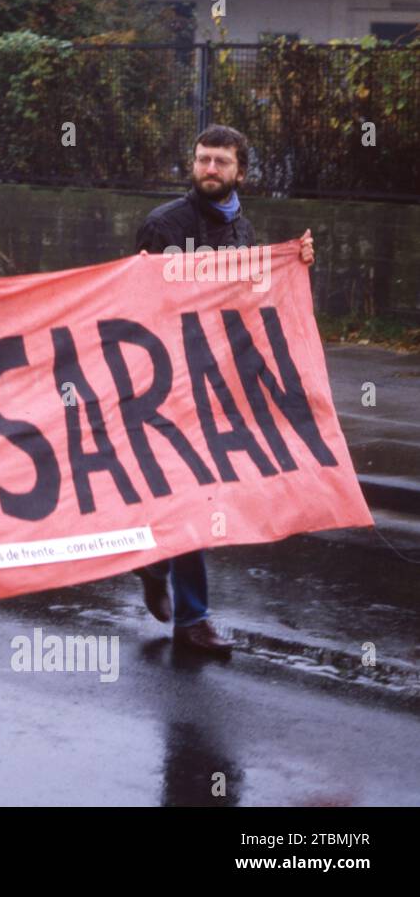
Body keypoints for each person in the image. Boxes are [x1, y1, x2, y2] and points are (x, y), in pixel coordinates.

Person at [132, 124, 316, 655]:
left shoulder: (244, 230)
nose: (210, 169)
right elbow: (135, 303)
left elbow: (255, 300)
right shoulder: (164, 225)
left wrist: (296, 268)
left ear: (241, 171)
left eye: (221, 162)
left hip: (218, 382)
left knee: (202, 493)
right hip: (167, 384)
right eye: (203, 159)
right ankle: (192, 619)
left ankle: (156, 560)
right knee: (191, 495)